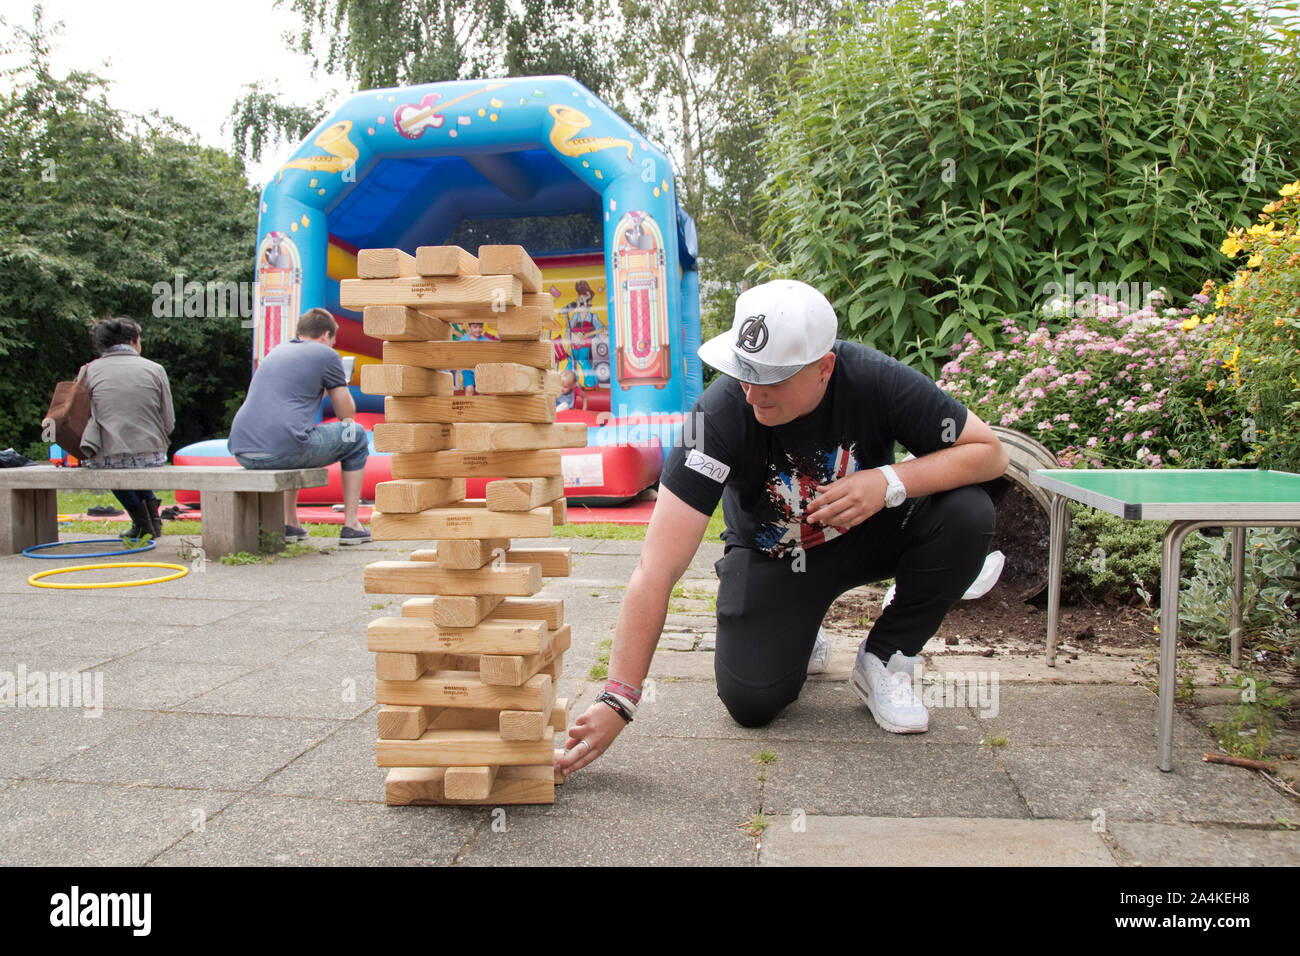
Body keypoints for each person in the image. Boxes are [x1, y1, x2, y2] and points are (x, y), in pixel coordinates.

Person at [555, 279, 1008, 777]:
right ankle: (802, 630)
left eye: (773, 378)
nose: (753, 391)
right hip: (775, 557)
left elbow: (990, 453)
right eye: (745, 371)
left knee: (969, 512)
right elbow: (655, 568)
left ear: (824, 368)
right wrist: (617, 698)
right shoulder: (719, 417)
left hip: (869, 532)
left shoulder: (875, 379)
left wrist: (888, 480)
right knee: (751, 701)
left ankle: (886, 655)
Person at [228, 308, 370, 544]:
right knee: (355, 436)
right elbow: (346, 414)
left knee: (297, 434)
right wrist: (339, 381)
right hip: (281, 449)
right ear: (326, 335)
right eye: (333, 341)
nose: (333, 346)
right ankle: (352, 524)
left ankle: (290, 523)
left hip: (242, 450)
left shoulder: (277, 351)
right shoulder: (327, 355)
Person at [80, 317, 175, 541]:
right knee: (133, 464)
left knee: (112, 465)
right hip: (152, 455)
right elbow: (169, 422)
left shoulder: (89, 371)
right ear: (134, 341)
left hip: (106, 457)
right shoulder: (155, 369)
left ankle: (143, 523)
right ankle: (152, 522)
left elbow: (81, 418)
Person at [457, 321, 490, 395]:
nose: (478, 329)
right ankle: (468, 405)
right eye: (475, 327)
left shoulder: (486, 340)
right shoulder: (464, 339)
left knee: (481, 390)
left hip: (481, 370)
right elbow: (460, 353)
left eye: (480, 327)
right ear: (469, 328)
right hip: (468, 370)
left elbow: (488, 355)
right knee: (469, 389)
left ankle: (481, 405)